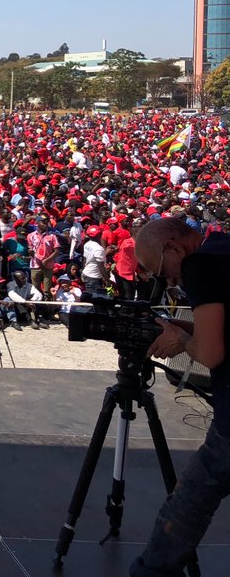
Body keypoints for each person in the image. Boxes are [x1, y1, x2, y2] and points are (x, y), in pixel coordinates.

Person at [130, 218, 230, 577]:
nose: (168, 281)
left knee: (190, 503)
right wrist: (183, 330)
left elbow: (211, 352)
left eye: (160, 270)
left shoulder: (199, 264)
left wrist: (180, 342)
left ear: (175, 248)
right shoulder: (223, 248)